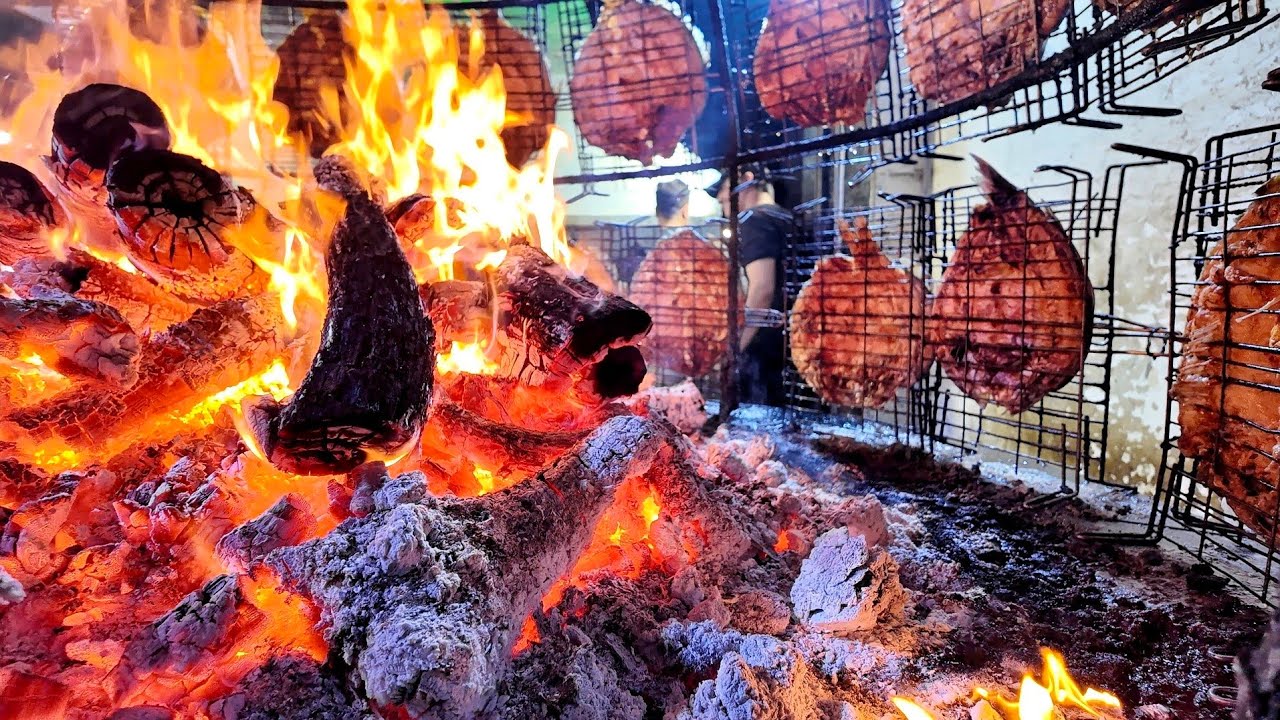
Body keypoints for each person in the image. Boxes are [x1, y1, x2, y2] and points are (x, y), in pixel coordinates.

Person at [707, 164, 792, 406]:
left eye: (725, 194)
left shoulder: (754, 219)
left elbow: (762, 289)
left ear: (747, 179)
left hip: (761, 353)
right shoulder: (784, 216)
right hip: (785, 347)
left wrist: (734, 349)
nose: (724, 205)